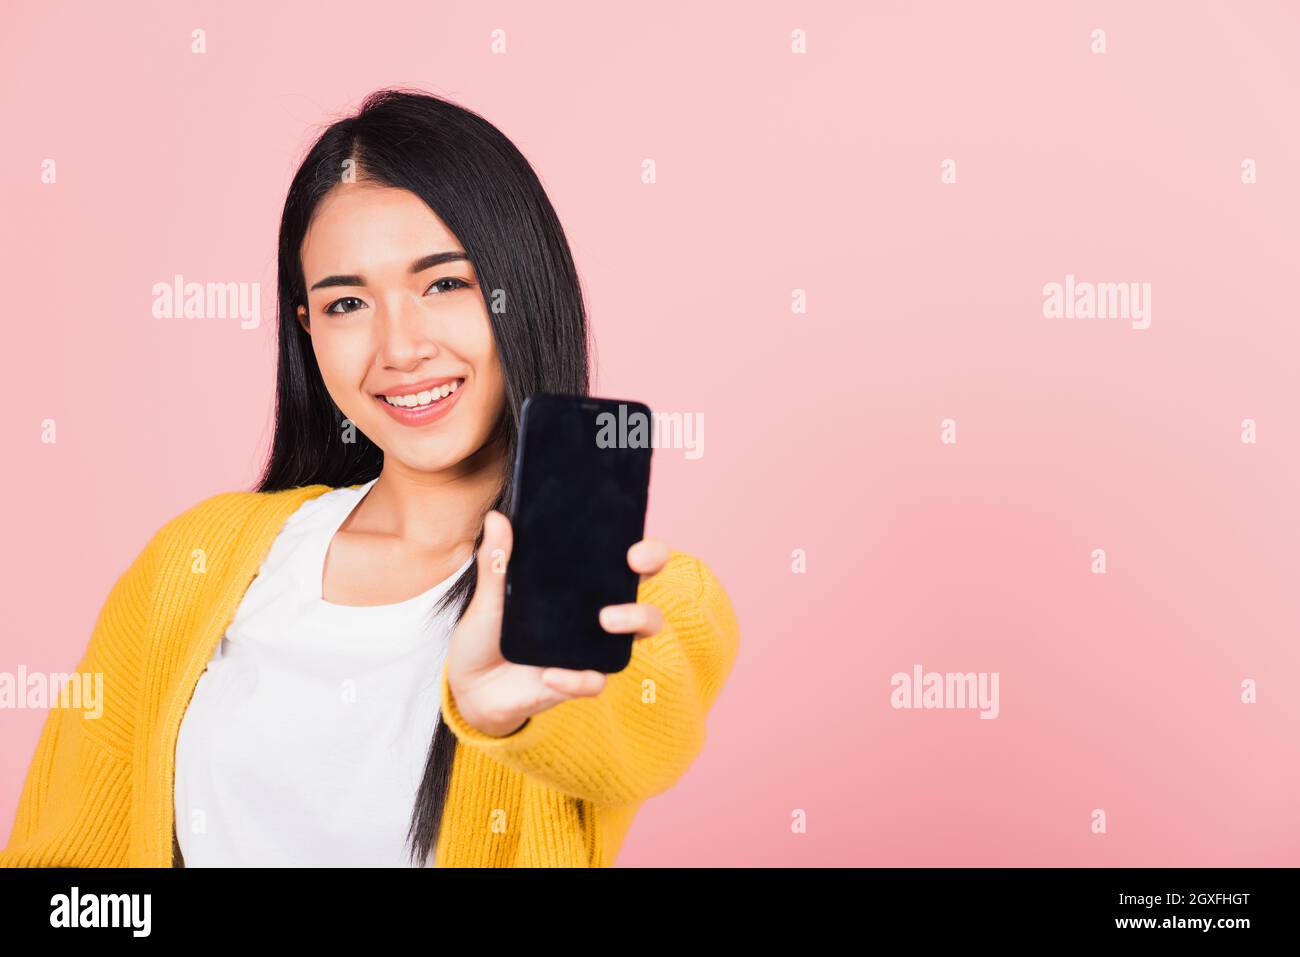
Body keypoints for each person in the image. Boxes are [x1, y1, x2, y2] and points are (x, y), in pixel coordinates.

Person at [0, 89, 740, 867]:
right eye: (348, 301)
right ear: (307, 329)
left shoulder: (641, 596)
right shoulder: (193, 563)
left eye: (445, 284)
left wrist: (508, 716)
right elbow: (65, 873)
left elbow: (643, 734)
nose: (400, 347)